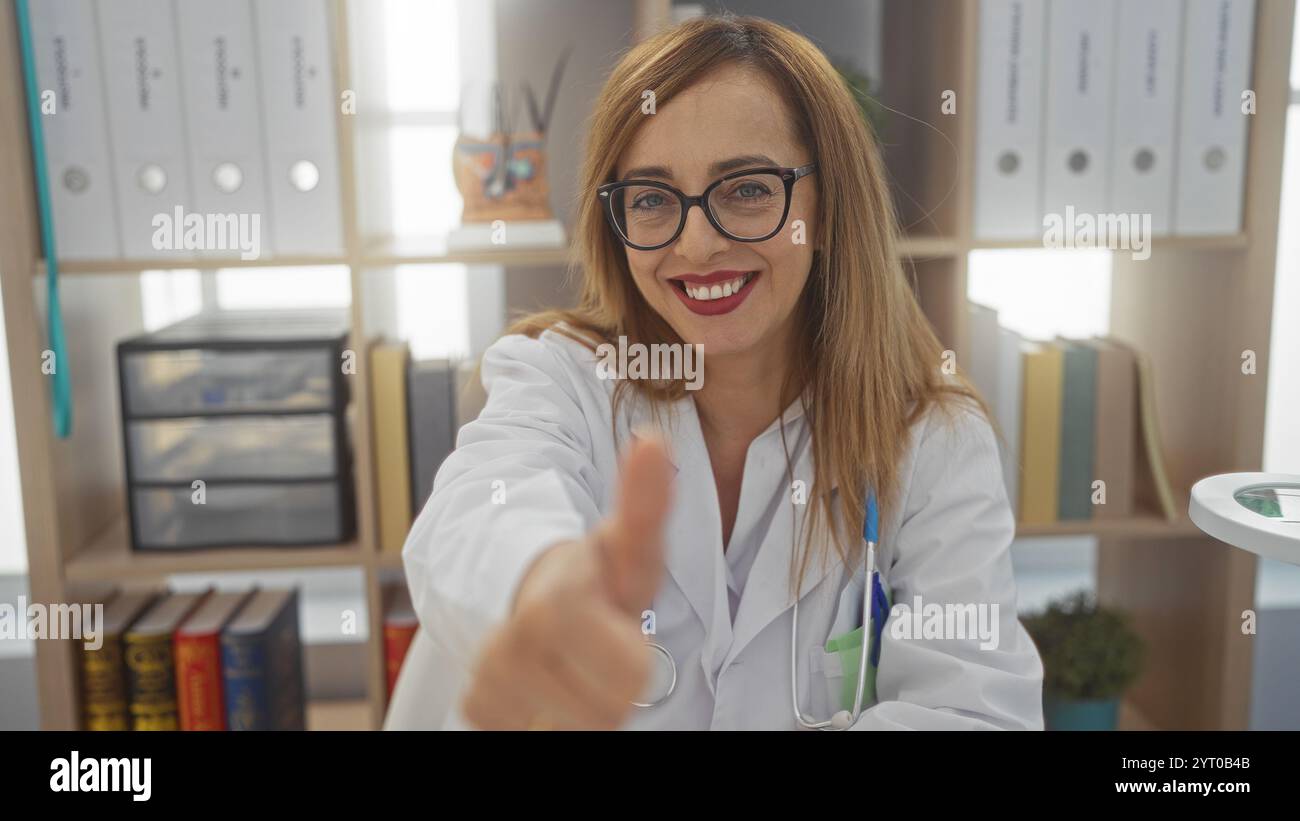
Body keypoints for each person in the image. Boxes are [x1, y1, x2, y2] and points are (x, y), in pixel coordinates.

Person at [385, 14, 1043, 731]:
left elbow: (974, 712)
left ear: (826, 210)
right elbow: (477, 506)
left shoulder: (935, 442)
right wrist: (542, 580)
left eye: (748, 189)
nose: (696, 244)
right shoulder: (563, 378)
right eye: (652, 199)